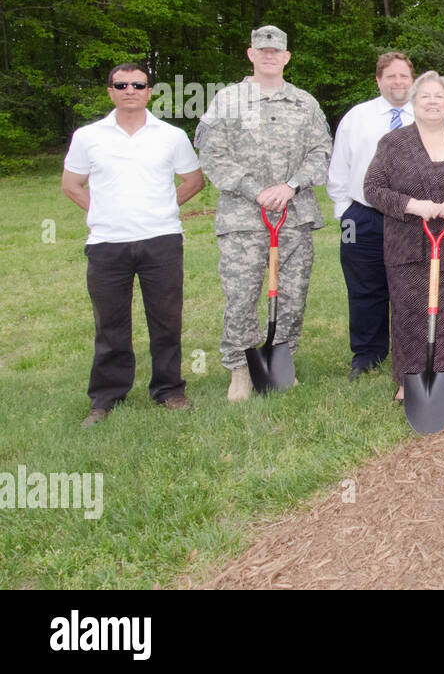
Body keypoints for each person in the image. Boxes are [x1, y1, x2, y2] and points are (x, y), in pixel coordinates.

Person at [62, 63, 205, 425]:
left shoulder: (170, 136)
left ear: (149, 91)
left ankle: (170, 390)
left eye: (137, 84)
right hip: (107, 244)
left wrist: (163, 208)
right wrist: (104, 211)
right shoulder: (88, 136)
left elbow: (193, 180)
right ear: (110, 91)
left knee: (166, 321)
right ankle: (106, 398)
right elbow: (71, 184)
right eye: (121, 84)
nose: (130, 89)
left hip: (161, 241)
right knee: (110, 324)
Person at [196, 25, 332, 401]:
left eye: (277, 51)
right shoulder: (227, 100)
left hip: (294, 214)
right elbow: (211, 153)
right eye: (263, 50)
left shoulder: (305, 103)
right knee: (241, 294)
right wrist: (256, 190)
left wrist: (290, 185)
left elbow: (322, 151)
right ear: (251, 54)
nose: (270, 55)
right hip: (243, 217)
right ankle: (240, 368)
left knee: (292, 293)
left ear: (286, 57)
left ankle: (280, 360)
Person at [363, 71, 444, 400]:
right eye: (425, 96)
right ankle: (409, 380)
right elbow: (373, 189)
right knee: (410, 311)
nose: (432, 102)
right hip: (407, 244)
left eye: (439, 96)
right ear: (413, 102)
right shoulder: (393, 144)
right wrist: (411, 205)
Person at [327, 52, 415, 380]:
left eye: (403, 76)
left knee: (411, 287)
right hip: (362, 217)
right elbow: (339, 167)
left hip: (412, 219)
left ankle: (412, 352)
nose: (397, 82)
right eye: (390, 76)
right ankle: (367, 355)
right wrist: (344, 211)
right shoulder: (357, 117)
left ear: (413, 80)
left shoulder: (429, 114)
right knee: (365, 288)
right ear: (378, 80)